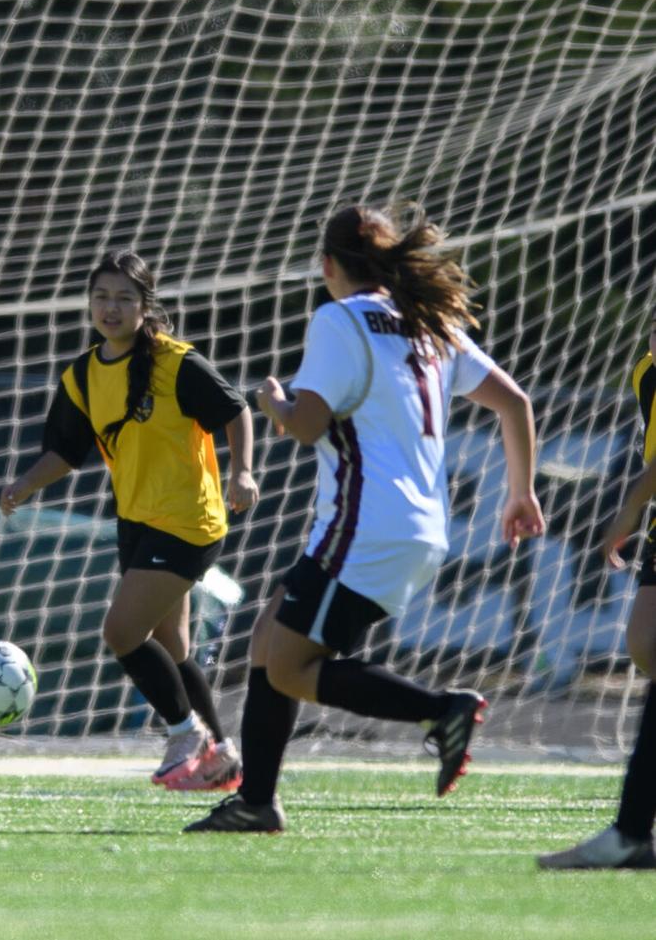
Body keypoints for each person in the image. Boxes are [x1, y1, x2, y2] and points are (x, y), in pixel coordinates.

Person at [185, 203, 545, 833]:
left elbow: (307, 425)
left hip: (365, 525)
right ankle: (257, 801)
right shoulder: (425, 321)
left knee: (290, 665)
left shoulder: (340, 320)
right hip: (412, 527)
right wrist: (522, 492)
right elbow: (514, 401)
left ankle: (442, 709)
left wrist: (274, 401)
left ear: (327, 265)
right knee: (269, 642)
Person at [0, 249, 256, 790]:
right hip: (136, 522)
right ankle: (223, 754)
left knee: (121, 632)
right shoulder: (83, 375)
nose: (110, 308)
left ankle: (185, 732)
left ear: (145, 306)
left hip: (188, 520)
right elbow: (64, 452)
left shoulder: (175, 362)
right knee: (173, 647)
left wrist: (243, 473)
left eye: (123, 298)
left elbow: (236, 410)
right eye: (101, 297)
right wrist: (23, 485)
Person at [537, 312, 656, 869]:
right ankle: (631, 832)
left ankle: (631, 832)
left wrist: (629, 509)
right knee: (644, 646)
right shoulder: (645, 374)